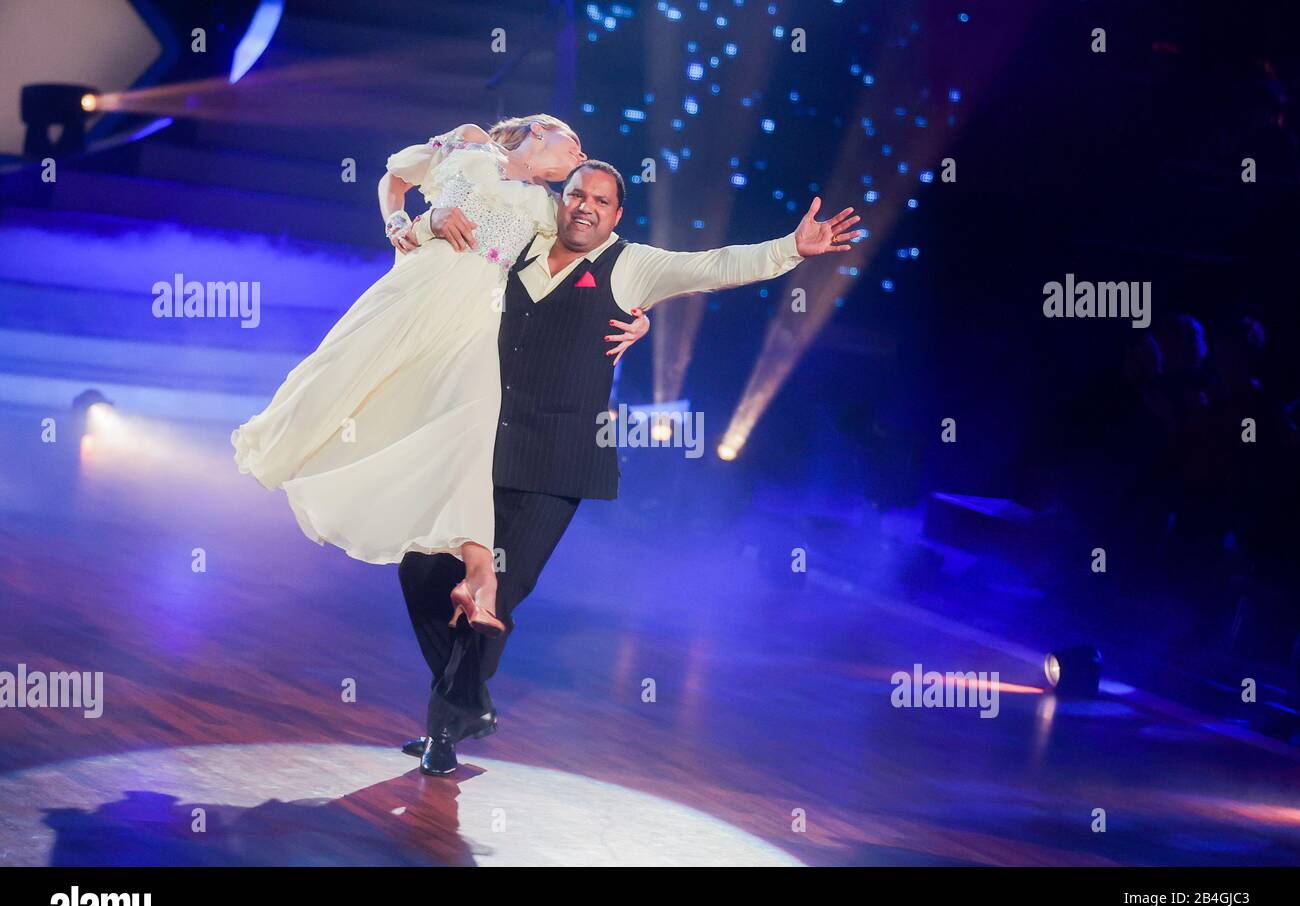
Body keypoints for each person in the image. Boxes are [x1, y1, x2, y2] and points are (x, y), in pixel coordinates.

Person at [397, 159, 864, 774]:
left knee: (496, 593)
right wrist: (426, 217)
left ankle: (445, 731)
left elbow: (712, 266)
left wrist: (790, 250)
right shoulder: (520, 248)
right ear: (560, 202)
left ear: (617, 214)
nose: (584, 206)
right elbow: (427, 253)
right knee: (420, 571)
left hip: (557, 463)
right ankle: (467, 701)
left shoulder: (631, 266)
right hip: (479, 448)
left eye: (600, 200)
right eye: (575, 195)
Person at [230, 116, 647, 635]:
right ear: (540, 131)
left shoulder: (545, 209)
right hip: (414, 293)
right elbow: (394, 180)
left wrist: (636, 310)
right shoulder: (470, 142)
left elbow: (602, 254)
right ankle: (282, 443)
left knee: (470, 433)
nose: (579, 157)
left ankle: (478, 579)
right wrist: (403, 223)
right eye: (575, 144)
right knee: (339, 381)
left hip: (474, 323)